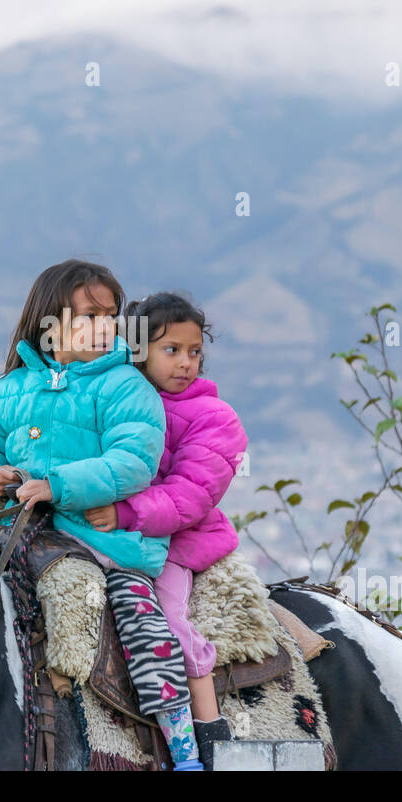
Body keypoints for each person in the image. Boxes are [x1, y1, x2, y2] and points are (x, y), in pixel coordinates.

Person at [0, 260, 203, 770]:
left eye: (111, 316)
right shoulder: (9, 390)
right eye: (90, 314)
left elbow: (133, 460)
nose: (105, 326)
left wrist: (60, 487)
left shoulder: (123, 386)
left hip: (103, 543)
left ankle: (180, 741)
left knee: (143, 628)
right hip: (22, 535)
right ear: (50, 322)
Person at [84, 291, 247, 771]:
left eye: (194, 351)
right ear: (138, 351)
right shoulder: (117, 402)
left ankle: (209, 734)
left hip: (178, 543)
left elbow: (191, 495)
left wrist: (128, 512)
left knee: (169, 622)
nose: (186, 363)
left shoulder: (214, 418)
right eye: (171, 350)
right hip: (121, 537)